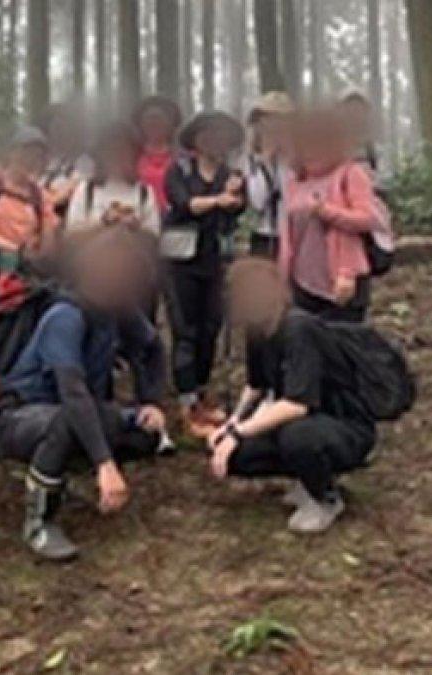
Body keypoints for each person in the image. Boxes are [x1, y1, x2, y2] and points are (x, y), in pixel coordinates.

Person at [0, 230, 168, 561]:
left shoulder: (117, 309)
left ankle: (64, 475)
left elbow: (152, 348)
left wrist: (151, 401)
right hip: (21, 416)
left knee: (145, 434)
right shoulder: (65, 317)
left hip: (79, 409)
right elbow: (72, 394)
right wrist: (105, 464)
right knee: (68, 422)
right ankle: (39, 520)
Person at [209, 259, 377, 534]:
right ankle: (306, 477)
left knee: (297, 436)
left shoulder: (298, 328)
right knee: (235, 454)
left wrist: (240, 432)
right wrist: (232, 424)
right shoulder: (258, 330)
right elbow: (256, 386)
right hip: (303, 420)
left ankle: (325, 498)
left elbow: (297, 404)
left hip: (343, 425)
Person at [161, 111, 246, 437]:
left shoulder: (230, 175)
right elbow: (183, 204)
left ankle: (201, 389)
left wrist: (235, 198)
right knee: (185, 329)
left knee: (211, 326)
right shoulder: (179, 171)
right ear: (196, 141)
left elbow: (237, 211)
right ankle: (186, 402)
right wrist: (219, 200)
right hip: (180, 261)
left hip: (214, 260)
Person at [280, 107, 392, 323]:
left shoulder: (351, 174)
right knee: (305, 339)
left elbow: (367, 218)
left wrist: (326, 211)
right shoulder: (295, 182)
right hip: (302, 282)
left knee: (341, 339)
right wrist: (282, 276)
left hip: (343, 281)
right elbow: (288, 235)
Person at [0, 126, 60, 277]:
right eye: (25, 153)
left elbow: (48, 243)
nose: (30, 161)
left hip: (27, 270)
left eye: (37, 156)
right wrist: (15, 250)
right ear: (11, 153)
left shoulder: (42, 197)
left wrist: (38, 256)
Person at [64, 122, 160, 235]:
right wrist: (103, 223)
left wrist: (136, 228)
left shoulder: (145, 193)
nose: (117, 155)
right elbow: (71, 234)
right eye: (111, 150)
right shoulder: (85, 190)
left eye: (124, 150)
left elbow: (154, 236)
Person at [243, 92, 296, 258]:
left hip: (294, 234)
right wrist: (266, 160)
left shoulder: (298, 161)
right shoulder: (251, 160)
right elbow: (257, 202)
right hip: (263, 235)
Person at [40, 101, 95, 217]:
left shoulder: (84, 161)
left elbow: (68, 191)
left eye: (63, 127)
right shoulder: (45, 160)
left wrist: (43, 200)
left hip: (67, 214)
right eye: (54, 127)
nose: (58, 132)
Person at [133, 96, 184, 213]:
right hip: (139, 217)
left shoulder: (185, 159)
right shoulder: (131, 157)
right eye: (149, 121)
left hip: (177, 219)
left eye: (160, 120)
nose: (154, 125)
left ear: (171, 125)